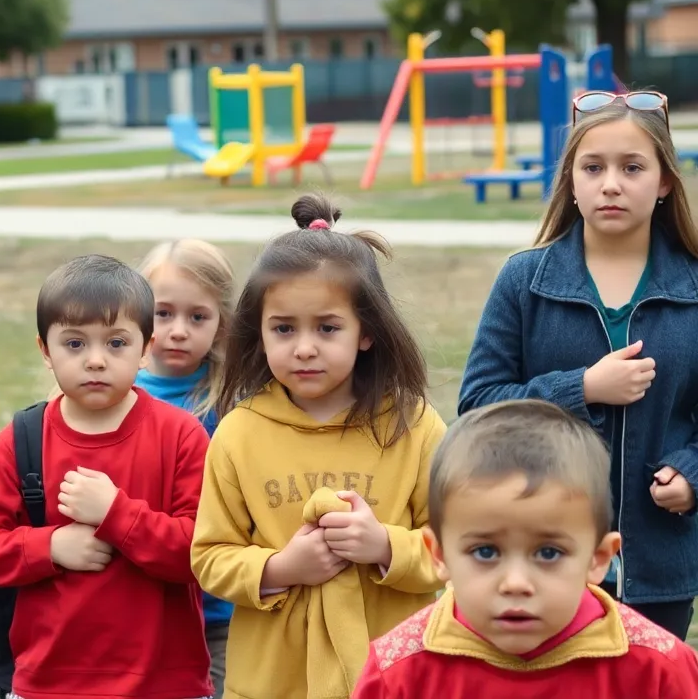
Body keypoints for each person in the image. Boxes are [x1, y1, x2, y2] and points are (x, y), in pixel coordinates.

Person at [458, 93, 698, 641]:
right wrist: (582, 388)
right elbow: (475, 408)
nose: (610, 184)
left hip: (659, 568)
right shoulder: (523, 281)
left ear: (664, 181)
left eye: (632, 167)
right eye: (592, 168)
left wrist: (692, 475)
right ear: (570, 180)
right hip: (540, 556)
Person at [190, 193, 447, 699]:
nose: (304, 348)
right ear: (259, 333)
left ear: (366, 331)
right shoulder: (239, 433)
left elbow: (456, 547)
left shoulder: (414, 427)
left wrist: (385, 546)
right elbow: (210, 557)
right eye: (284, 329)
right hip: (272, 682)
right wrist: (281, 568)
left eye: (328, 328)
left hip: (393, 677)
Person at [0, 254, 213, 699]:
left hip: (165, 683)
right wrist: (50, 546)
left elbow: (204, 554)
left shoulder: (181, 435)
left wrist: (117, 515)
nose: (95, 360)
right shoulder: (21, 440)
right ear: (45, 350)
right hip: (49, 683)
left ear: (145, 348)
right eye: (74, 343)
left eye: (116, 343)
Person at [352, 399, 698, 697]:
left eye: (548, 553)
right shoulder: (397, 673)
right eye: (485, 552)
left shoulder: (659, 670)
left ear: (598, 558)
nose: (515, 583)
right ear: (439, 555)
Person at [135, 239, 235, 699]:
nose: (178, 331)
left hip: (217, 615)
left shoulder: (233, 403)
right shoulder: (108, 395)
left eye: (198, 317)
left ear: (221, 324)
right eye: (163, 313)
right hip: (137, 609)